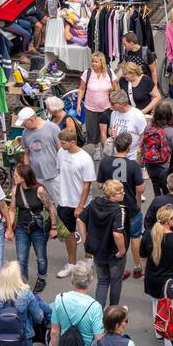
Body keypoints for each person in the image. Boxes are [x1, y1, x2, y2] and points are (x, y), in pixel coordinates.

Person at [97, 131, 146, 278]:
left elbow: (99, 185)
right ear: (129, 147)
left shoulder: (105, 162)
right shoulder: (133, 165)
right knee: (135, 236)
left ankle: (118, 266)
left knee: (115, 236)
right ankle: (137, 267)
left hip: (111, 208)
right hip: (131, 207)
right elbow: (140, 189)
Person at [53, 125, 96, 278]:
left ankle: (88, 260)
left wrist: (80, 206)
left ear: (72, 142)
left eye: (63, 143)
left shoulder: (85, 159)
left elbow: (87, 184)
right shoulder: (61, 152)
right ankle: (71, 263)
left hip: (81, 204)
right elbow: (60, 173)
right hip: (64, 201)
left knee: (86, 233)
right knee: (67, 233)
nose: (60, 145)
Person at [6, 163, 53, 292]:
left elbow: (51, 208)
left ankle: (41, 278)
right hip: (22, 228)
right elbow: (11, 209)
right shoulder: (16, 189)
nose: (13, 177)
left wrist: (53, 227)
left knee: (41, 257)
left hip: (38, 229)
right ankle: (23, 282)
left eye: (15, 175)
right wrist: (9, 228)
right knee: (21, 258)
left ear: (24, 177)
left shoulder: (40, 190)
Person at [84, 177, 128, 307]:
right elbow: (117, 233)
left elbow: (80, 220)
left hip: (98, 251)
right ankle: (113, 313)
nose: (124, 193)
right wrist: (122, 251)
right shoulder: (119, 210)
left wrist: (86, 240)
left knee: (102, 282)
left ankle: (98, 314)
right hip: (114, 254)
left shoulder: (94, 203)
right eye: (121, 192)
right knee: (115, 282)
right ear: (113, 195)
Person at [144, 204, 173, 340]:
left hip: (152, 278)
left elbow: (143, 254)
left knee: (156, 306)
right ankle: (169, 340)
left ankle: (158, 333)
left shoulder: (148, 235)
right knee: (169, 310)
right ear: (168, 221)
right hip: (170, 281)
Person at [17, 105, 62, 210]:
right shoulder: (25, 133)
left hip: (53, 173)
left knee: (58, 200)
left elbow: (60, 149)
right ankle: (49, 220)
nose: (24, 126)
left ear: (32, 119)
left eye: (24, 123)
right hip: (36, 175)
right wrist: (27, 171)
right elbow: (27, 153)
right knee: (43, 201)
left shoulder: (52, 128)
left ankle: (60, 221)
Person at [77, 51, 115, 157]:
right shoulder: (87, 73)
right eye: (92, 61)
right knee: (93, 130)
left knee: (108, 130)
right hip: (91, 107)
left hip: (107, 108)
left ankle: (108, 149)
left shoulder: (109, 72)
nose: (93, 64)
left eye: (96, 62)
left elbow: (116, 89)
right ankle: (97, 148)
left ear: (102, 62)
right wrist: (79, 104)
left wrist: (115, 105)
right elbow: (81, 89)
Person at [141, 102, 173, 197]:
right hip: (166, 166)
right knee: (168, 191)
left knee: (156, 188)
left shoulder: (149, 126)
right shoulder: (172, 131)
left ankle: (158, 206)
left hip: (150, 164)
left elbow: (143, 144)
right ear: (169, 115)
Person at [107, 88, 148, 160]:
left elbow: (143, 136)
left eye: (112, 103)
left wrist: (138, 157)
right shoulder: (114, 113)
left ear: (121, 104)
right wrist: (111, 132)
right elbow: (110, 129)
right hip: (117, 155)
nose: (110, 105)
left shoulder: (137, 115)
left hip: (132, 156)